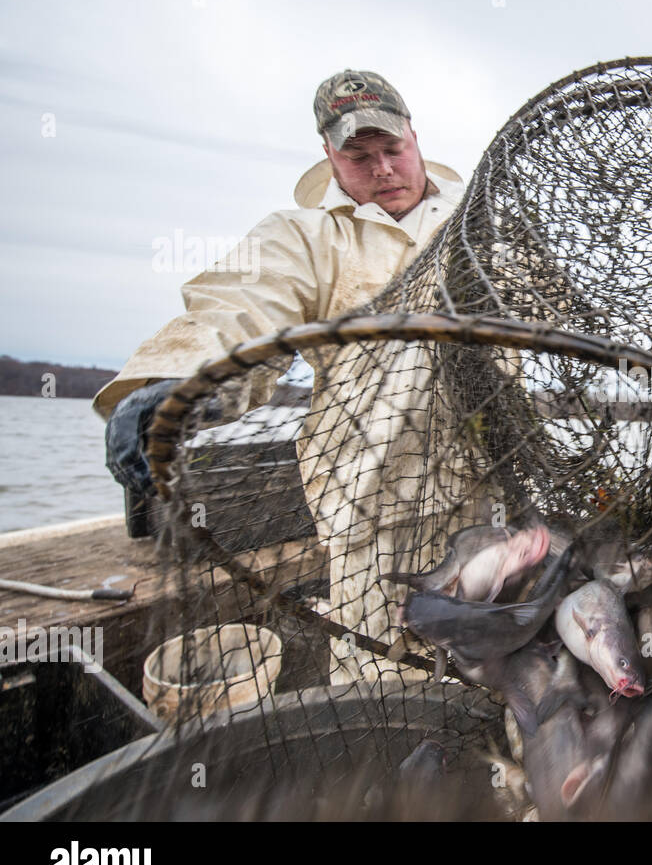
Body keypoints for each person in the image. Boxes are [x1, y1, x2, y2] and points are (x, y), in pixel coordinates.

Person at [97, 70, 477, 686]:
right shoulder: (303, 237)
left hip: (484, 483)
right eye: (358, 155)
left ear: (416, 138)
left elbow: (551, 303)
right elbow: (239, 307)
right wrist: (170, 382)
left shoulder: (476, 219)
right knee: (380, 677)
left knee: (494, 660)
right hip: (368, 494)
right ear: (329, 157)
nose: (382, 169)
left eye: (392, 150)